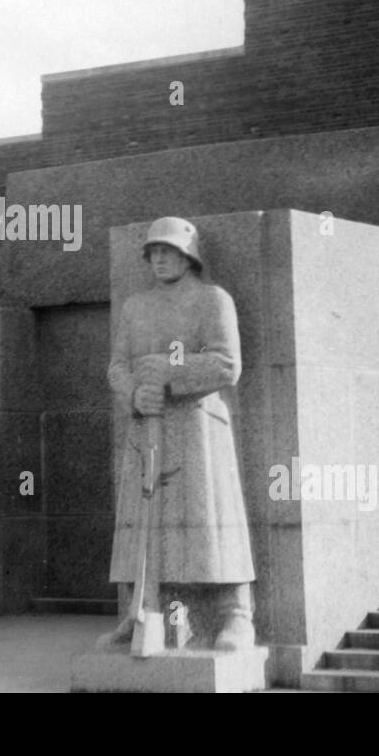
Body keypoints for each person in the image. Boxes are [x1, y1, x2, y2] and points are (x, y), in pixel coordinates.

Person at [102, 216, 256, 651]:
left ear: (189, 257)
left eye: (168, 251)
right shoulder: (135, 307)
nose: (160, 259)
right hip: (147, 427)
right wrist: (135, 394)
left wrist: (171, 374)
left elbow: (227, 364)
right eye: (153, 252)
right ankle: (142, 612)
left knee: (212, 520)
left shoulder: (212, 300)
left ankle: (235, 614)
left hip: (198, 426)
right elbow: (117, 366)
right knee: (144, 526)